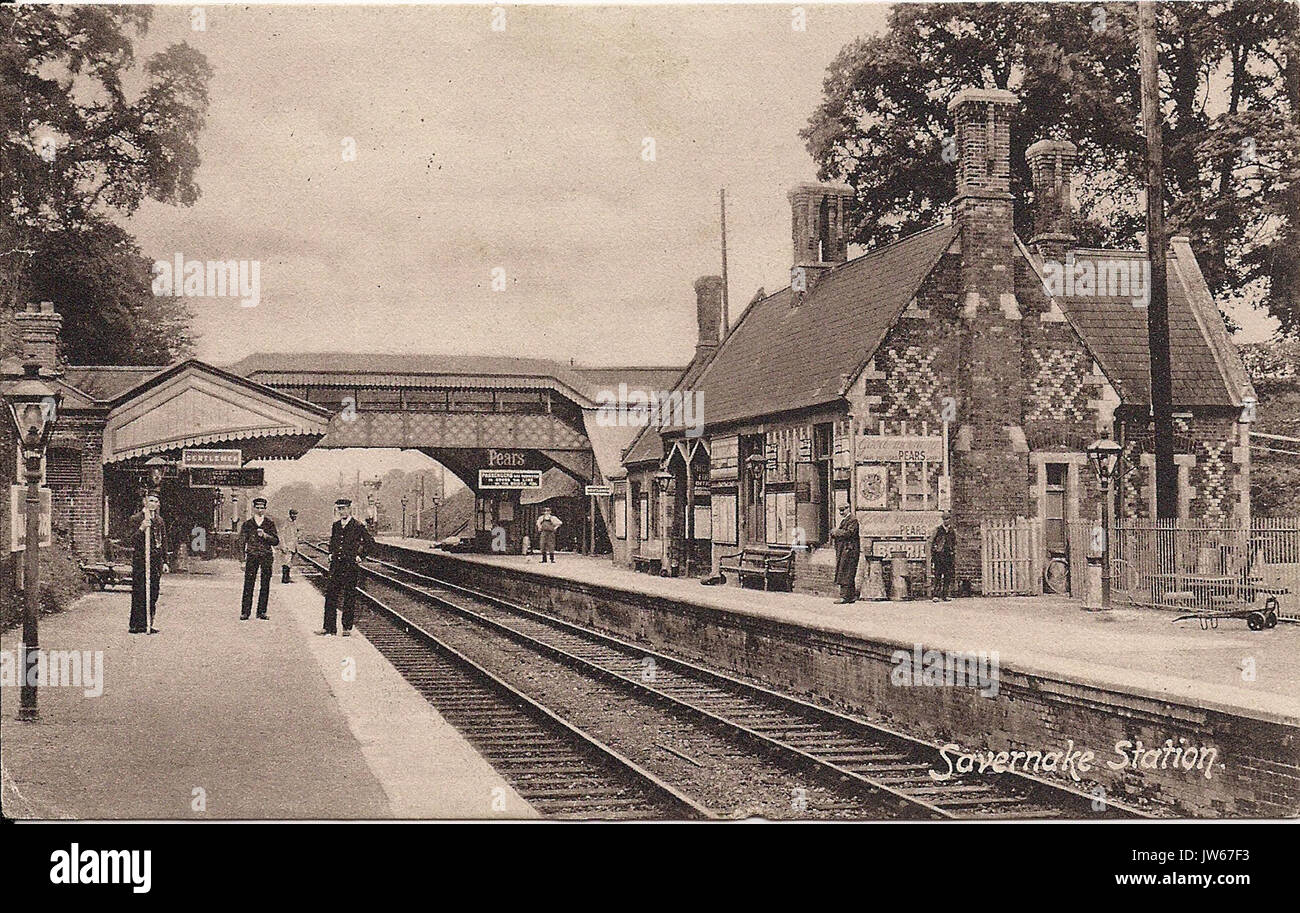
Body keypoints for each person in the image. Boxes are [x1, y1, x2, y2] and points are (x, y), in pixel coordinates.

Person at [318, 498, 374, 636]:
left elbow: (370, 542)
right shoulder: (336, 525)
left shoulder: (358, 525)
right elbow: (333, 541)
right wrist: (331, 553)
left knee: (349, 596)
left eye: (344, 508)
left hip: (350, 565)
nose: (341, 511)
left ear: (350, 509)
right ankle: (328, 627)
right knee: (331, 595)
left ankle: (347, 628)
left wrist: (360, 555)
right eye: (339, 509)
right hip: (336, 565)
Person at [128, 491, 168, 634]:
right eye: (151, 500)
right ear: (145, 502)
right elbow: (131, 540)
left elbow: (163, 541)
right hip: (141, 560)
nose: (154, 504)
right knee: (139, 591)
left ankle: (148, 623)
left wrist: (165, 561)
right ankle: (135, 624)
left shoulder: (159, 521)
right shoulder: (136, 519)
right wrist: (142, 528)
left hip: (155, 561)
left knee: (153, 592)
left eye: (156, 502)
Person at [239, 497, 279, 620]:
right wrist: (242, 560)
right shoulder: (247, 524)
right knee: (248, 584)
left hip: (266, 556)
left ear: (265, 509)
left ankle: (261, 611)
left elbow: (276, 541)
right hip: (252, 556)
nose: (260, 510)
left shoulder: (269, 524)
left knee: (265, 584)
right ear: (254, 508)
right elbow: (241, 543)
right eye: (258, 508)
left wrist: (266, 535)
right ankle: (245, 612)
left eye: (262, 508)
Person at [830, 502, 860, 604]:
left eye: (843, 510)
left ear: (848, 509)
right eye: (840, 510)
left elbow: (849, 533)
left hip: (849, 550)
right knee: (847, 572)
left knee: (846, 572)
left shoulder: (852, 520)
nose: (841, 512)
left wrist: (836, 532)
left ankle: (844, 597)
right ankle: (851, 596)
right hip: (845, 550)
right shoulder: (846, 520)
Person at [931, 512, 957, 602]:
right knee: (938, 575)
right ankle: (936, 595)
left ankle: (945, 595)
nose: (947, 521)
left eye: (948, 519)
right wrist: (934, 551)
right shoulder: (938, 530)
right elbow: (932, 542)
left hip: (948, 555)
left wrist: (952, 551)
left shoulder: (951, 531)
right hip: (939, 555)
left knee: (947, 575)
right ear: (942, 520)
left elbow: (954, 542)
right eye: (945, 519)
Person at [279, 508, 300, 583]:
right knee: (286, 562)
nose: (295, 516)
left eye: (296, 514)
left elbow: (295, 534)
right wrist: (283, 546)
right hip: (287, 545)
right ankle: (285, 578)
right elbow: (281, 534)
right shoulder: (286, 522)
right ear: (290, 514)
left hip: (293, 546)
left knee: (289, 562)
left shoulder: (294, 523)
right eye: (293, 514)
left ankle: (287, 577)